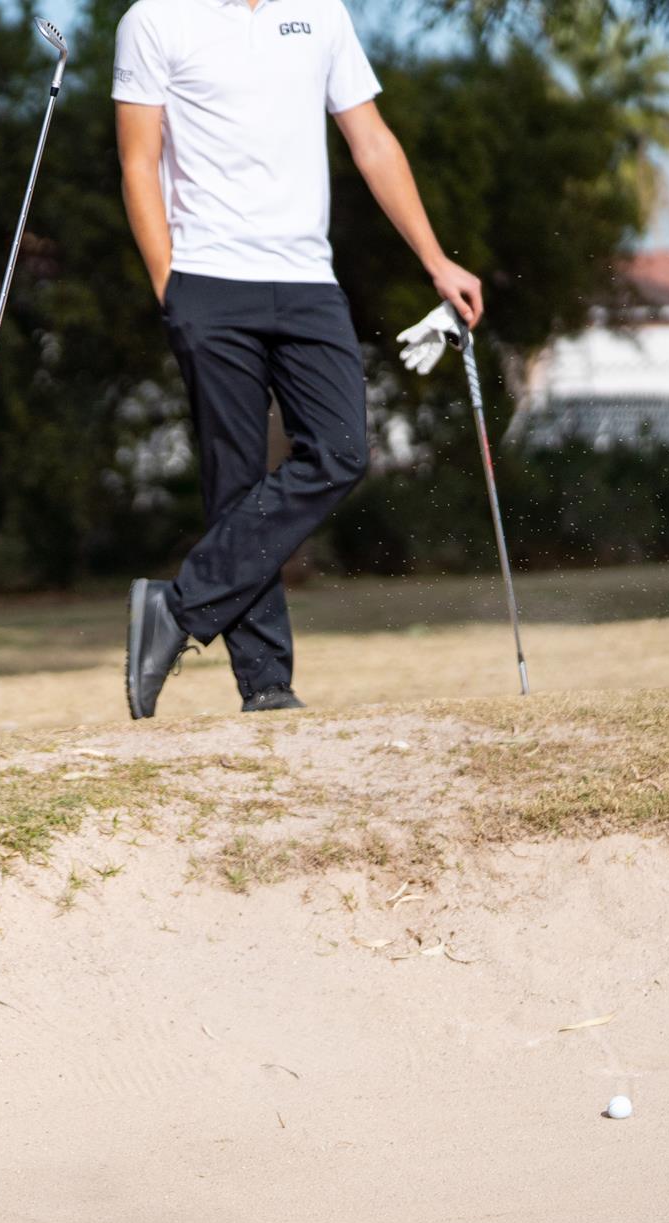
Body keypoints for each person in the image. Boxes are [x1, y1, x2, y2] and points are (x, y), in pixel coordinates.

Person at [114, 0, 485, 718]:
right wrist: (170, 287)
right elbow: (139, 160)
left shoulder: (321, 12)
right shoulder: (154, 18)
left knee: (342, 451)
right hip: (207, 280)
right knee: (235, 477)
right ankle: (265, 683)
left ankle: (179, 606)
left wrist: (436, 260)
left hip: (309, 281)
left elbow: (371, 140)